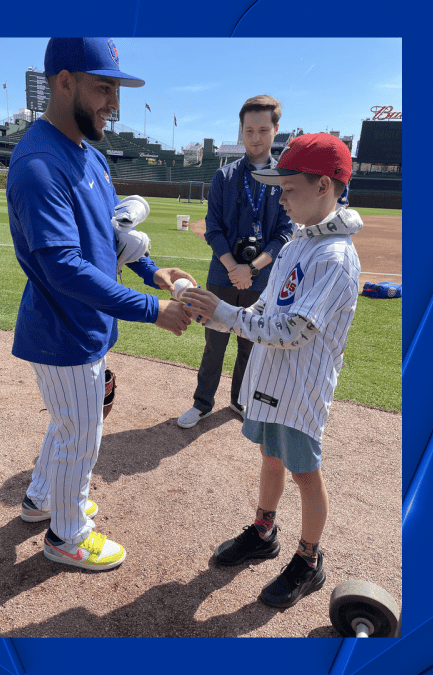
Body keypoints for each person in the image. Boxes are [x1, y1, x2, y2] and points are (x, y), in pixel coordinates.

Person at [6, 37, 195, 571]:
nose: (115, 102)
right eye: (103, 87)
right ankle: (67, 535)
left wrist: (155, 274)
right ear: (63, 82)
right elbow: (62, 268)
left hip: (84, 326)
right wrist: (153, 310)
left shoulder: (89, 153)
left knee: (70, 425)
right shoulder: (40, 165)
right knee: (80, 436)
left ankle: (43, 499)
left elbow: (115, 233)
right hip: (63, 329)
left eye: (116, 88)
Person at [181, 133, 362, 608]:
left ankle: (309, 559)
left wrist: (228, 315)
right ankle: (264, 532)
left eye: (288, 189)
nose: (279, 198)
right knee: (269, 455)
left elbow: (294, 329)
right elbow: (267, 302)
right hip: (271, 377)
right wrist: (221, 311)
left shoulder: (335, 256)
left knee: (305, 471)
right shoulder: (299, 242)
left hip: (300, 387)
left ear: (324, 185)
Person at [176, 95, 294, 429]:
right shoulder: (224, 177)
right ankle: (202, 404)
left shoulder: (284, 179)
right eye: (248, 130)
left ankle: (239, 400)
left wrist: (252, 268)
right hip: (222, 276)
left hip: (261, 280)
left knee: (250, 345)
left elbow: (284, 233)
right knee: (214, 345)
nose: (255, 137)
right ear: (240, 131)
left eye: (262, 129)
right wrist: (233, 267)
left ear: (276, 130)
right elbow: (213, 230)